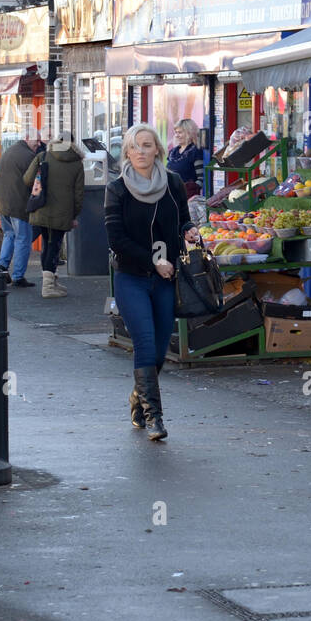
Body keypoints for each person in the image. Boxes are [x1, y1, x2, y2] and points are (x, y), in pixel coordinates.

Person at [106, 122, 198, 441]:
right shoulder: (117, 189)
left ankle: (138, 396)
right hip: (132, 276)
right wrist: (152, 260)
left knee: (159, 351)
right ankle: (153, 417)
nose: (141, 152)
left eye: (147, 145)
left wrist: (188, 230)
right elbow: (116, 239)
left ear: (158, 148)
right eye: (134, 146)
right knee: (144, 342)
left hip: (166, 277)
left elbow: (183, 217)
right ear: (127, 153)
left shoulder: (172, 183)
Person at [24, 130, 84, 299]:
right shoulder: (77, 163)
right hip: (62, 212)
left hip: (40, 207)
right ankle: (48, 286)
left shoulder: (43, 156)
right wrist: (74, 214)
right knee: (54, 245)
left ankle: (51, 282)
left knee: (47, 244)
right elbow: (79, 194)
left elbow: (27, 179)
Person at [0, 128, 45, 287]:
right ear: (27, 138)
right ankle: (18, 276)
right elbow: (34, 182)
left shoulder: (10, 151)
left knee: (9, 235)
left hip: (3, 204)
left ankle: (1, 267)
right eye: (36, 142)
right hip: (18, 205)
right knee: (23, 239)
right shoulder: (29, 157)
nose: (39, 144)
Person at [166, 119, 203, 196]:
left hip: (187, 198)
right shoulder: (173, 152)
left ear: (189, 133)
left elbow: (201, 179)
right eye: (176, 132)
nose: (177, 135)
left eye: (180, 132)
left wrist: (188, 190)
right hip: (170, 195)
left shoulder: (196, 151)